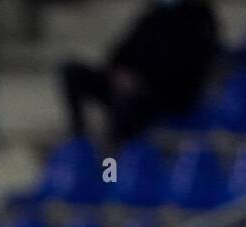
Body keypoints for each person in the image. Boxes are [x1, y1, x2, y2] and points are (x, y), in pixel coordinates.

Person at [59, 0, 219, 144]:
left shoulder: (199, 20)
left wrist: (142, 82)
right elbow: (119, 52)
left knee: (127, 99)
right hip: (126, 85)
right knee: (72, 72)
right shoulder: (154, 15)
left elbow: (189, 71)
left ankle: (114, 154)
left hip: (162, 96)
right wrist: (119, 73)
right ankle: (78, 136)